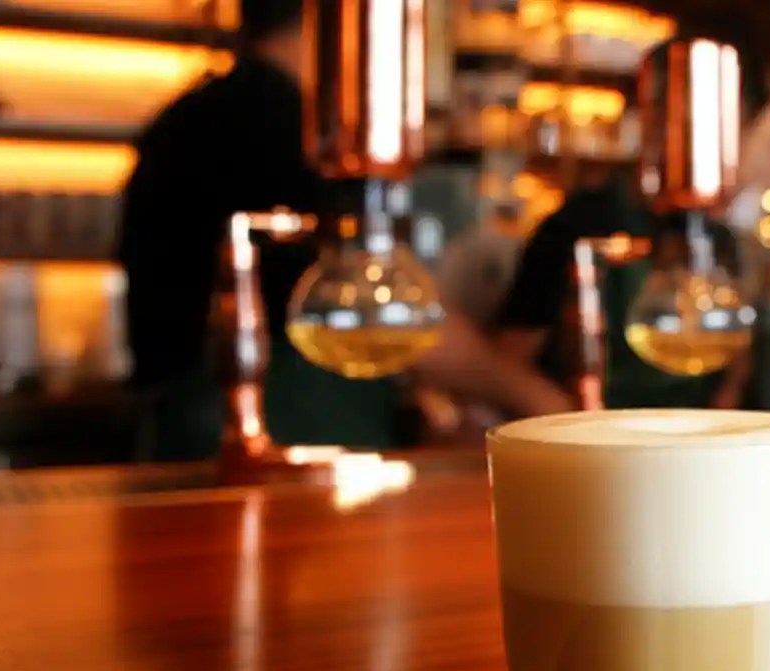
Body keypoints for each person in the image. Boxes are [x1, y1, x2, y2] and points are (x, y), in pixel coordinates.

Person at [121, 0, 569, 460]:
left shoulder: (192, 115)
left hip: (185, 426)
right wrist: (538, 399)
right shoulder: (282, 121)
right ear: (341, 29)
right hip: (264, 429)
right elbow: (375, 303)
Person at [496, 44, 770, 410]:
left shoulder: (722, 234)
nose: (684, 129)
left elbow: (745, 369)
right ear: (640, 118)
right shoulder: (580, 222)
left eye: (703, 118)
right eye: (668, 112)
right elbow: (511, 359)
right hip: (603, 433)